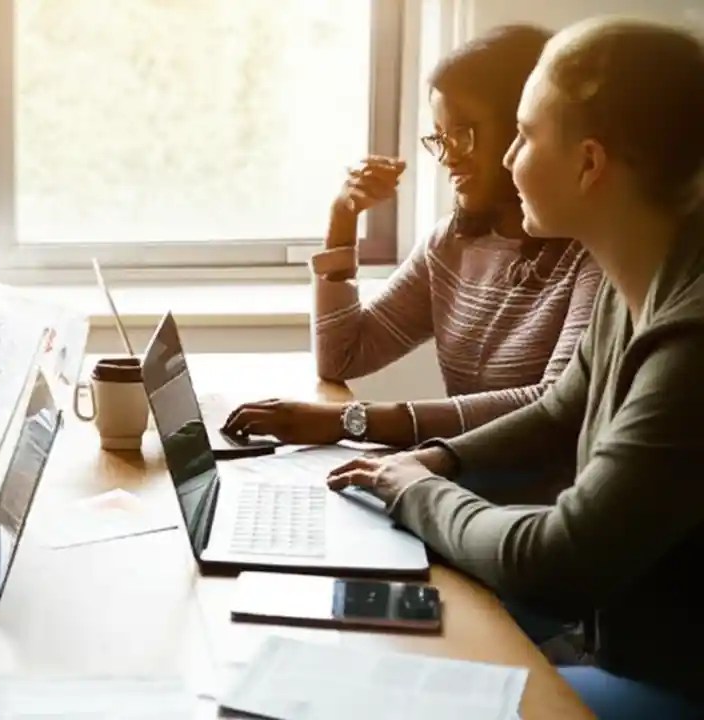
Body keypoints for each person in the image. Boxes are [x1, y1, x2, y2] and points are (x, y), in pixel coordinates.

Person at [326, 17, 704, 718]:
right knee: (361, 632)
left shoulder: (692, 338)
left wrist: (413, 490)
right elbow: (561, 410)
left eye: (524, 136)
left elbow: (552, 564)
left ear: (590, 164)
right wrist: (435, 458)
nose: (505, 162)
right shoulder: (646, 280)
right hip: (611, 639)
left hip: (670, 682)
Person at [225, 25, 600, 449]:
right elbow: (343, 356)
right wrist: (343, 217)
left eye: (463, 133)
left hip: (528, 502)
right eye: (440, 138)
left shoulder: (594, 255)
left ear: (524, 126)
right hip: (459, 479)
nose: (449, 157)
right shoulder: (451, 244)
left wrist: (350, 421)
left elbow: (548, 405)